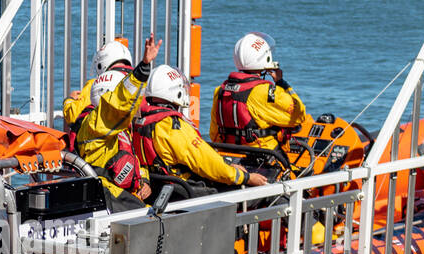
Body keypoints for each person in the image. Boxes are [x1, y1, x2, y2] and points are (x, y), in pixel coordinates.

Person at [129, 65, 267, 195]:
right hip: (184, 190)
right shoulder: (173, 127)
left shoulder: (138, 122)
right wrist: (246, 177)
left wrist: (227, 164)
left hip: (159, 187)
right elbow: (207, 163)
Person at [75, 36, 161, 207]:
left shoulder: (118, 129)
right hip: (108, 197)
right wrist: (142, 69)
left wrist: (144, 181)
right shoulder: (96, 123)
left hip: (123, 194)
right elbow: (119, 103)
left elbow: (132, 156)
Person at [210, 32, 310, 174]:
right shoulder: (265, 92)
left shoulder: (220, 91)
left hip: (228, 159)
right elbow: (299, 115)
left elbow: (214, 132)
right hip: (264, 160)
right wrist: (281, 83)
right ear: (265, 58)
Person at [63, 39, 135, 133]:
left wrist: (68, 100)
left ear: (102, 63)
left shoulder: (97, 84)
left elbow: (73, 116)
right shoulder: (136, 82)